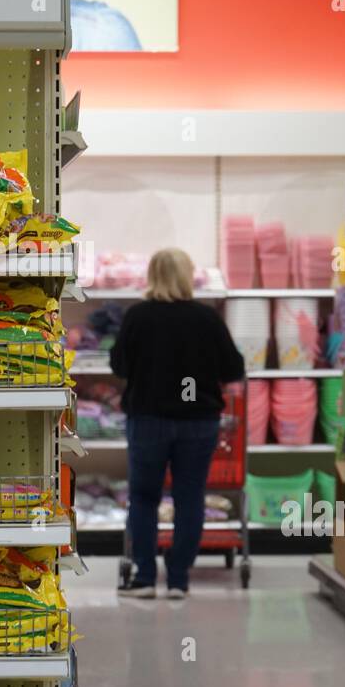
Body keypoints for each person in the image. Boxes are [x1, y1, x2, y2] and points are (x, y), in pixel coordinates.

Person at [111, 248, 245, 599]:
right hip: (198, 421)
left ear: (152, 275)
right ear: (188, 276)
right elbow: (233, 368)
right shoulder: (206, 318)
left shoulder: (137, 316)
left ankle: (143, 577)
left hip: (149, 418)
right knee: (190, 498)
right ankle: (178, 579)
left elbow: (119, 366)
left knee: (143, 497)